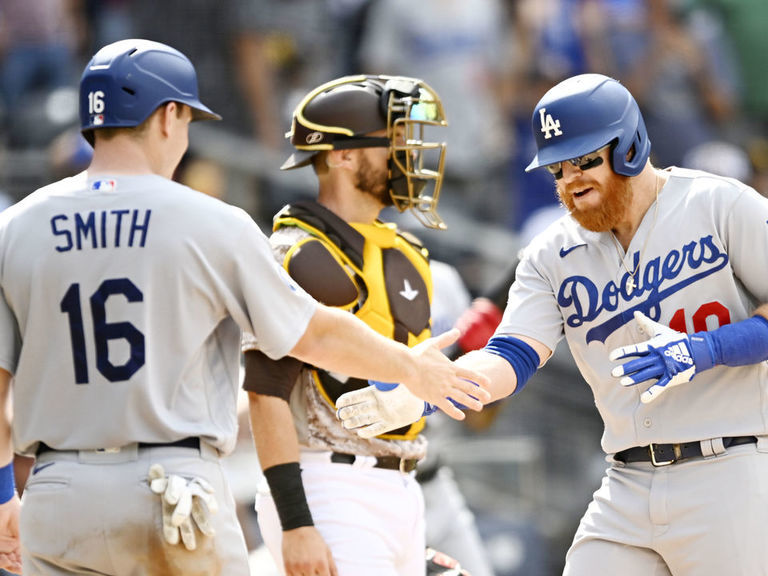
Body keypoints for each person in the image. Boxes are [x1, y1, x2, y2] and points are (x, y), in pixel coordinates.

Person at [0, 40, 489, 576]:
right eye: (187, 120)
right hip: (172, 486)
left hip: (58, 490)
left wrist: (4, 495)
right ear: (168, 117)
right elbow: (313, 334)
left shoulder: (15, 228)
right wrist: (411, 367)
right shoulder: (211, 222)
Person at [338, 73, 768, 575]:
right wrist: (430, 385)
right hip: (628, 481)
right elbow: (514, 355)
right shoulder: (551, 252)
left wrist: (705, 350)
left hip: (731, 465)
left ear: (628, 146)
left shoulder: (717, 204)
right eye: (557, 168)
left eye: (583, 160)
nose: (570, 180)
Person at [242, 74, 478, 576]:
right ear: (342, 155)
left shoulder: (403, 253)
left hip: (405, 485)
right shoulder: (296, 253)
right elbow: (265, 394)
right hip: (327, 485)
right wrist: (296, 523)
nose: (407, 157)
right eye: (392, 143)